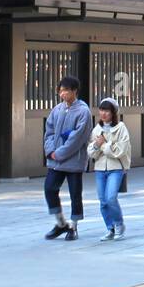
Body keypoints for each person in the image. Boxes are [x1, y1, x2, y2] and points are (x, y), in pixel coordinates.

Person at [43, 76, 92, 241]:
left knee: (75, 194)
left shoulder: (83, 111)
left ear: (74, 91)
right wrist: (50, 151)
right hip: (55, 160)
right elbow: (48, 132)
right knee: (50, 189)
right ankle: (60, 223)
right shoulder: (57, 109)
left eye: (66, 90)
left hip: (74, 160)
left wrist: (60, 153)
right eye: (61, 90)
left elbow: (78, 138)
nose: (63, 94)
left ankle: (73, 226)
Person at [87, 97, 131, 242]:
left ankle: (119, 225)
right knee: (103, 201)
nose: (103, 113)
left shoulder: (121, 128)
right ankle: (110, 228)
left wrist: (104, 145)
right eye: (101, 110)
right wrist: (96, 146)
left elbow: (121, 151)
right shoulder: (97, 130)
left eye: (107, 110)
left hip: (116, 168)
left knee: (111, 198)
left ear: (113, 112)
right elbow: (91, 153)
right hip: (100, 168)